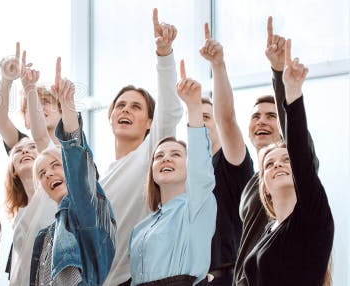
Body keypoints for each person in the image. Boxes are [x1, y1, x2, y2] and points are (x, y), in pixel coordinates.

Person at [233, 17, 319, 286]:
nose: (262, 121)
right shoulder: (251, 185)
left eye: (271, 116)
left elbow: (292, 125)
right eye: (256, 116)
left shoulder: (296, 173)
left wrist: (279, 73)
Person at [101, 9, 183, 286]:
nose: (126, 110)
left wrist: (164, 54)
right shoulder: (100, 178)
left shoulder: (149, 155)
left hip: (135, 278)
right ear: (110, 117)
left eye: (136, 107)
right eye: (120, 105)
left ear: (149, 122)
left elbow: (170, 110)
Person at [129, 60, 217, 285]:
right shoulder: (140, 228)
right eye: (159, 156)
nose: (166, 158)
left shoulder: (197, 206)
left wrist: (193, 107)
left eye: (176, 154)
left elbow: (200, 163)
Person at [29, 59, 116, 286]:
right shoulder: (46, 236)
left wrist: (67, 107)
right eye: (42, 173)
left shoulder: (86, 211)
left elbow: (79, 172)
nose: (48, 174)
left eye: (56, 165)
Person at [196, 23, 254, 285]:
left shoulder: (231, 164)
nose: (200, 122)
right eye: (195, 118)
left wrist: (217, 67)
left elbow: (227, 119)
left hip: (229, 276)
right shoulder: (187, 177)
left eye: (206, 117)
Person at [4, 56, 59, 286]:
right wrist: (9, 79)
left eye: (49, 102)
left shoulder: (60, 167)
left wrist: (30, 89)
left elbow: (41, 138)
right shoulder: (21, 214)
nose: (27, 152)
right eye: (38, 103)